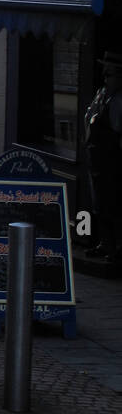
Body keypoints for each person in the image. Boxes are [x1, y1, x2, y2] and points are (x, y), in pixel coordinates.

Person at [83, 50, 122, 260]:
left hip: (111, 160)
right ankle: (104, 243)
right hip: (95, 157)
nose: (106, 77)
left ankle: (114, 247)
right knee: (98, 204)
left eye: (111, 74)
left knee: (112, 204)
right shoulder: (101, 94)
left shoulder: (118, 100)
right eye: (105, 73)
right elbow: (89, 117)